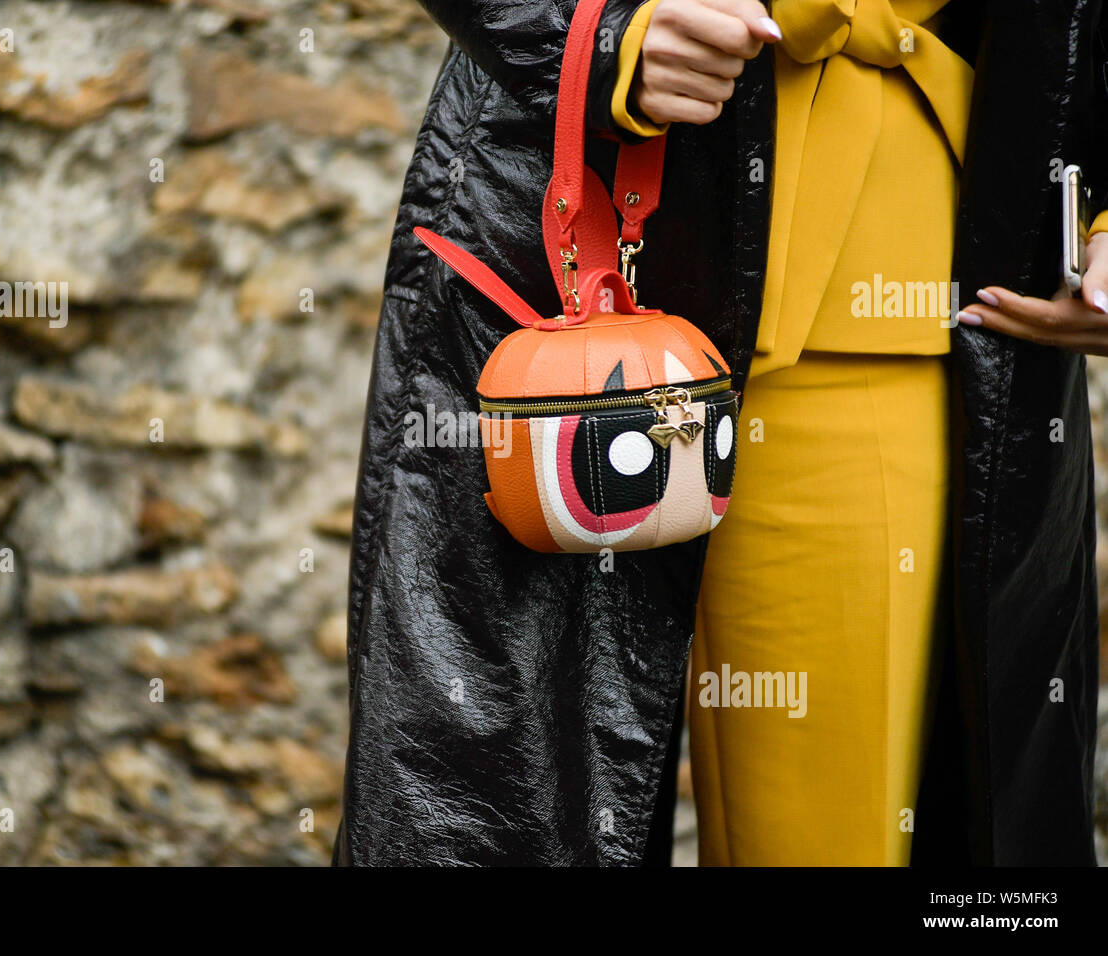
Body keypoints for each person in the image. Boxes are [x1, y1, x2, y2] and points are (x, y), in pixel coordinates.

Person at [336, 0, 1104, 866]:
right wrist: (591, 31)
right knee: (508, 811)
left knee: (832, 839)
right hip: (571, 278)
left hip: (885, 297)